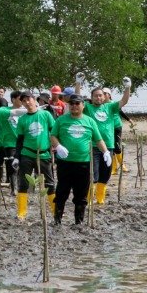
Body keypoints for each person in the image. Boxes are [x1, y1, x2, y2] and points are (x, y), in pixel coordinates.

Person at [50, 94, 110, 225]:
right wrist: (58, 146)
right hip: (65, 163)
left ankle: (79, 222)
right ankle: (57, 220)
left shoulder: (90, 121)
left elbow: (98, 139)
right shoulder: (61, 120)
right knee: (62, 191)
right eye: (71, 104)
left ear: (83, 105)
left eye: (77, 103)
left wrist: (106, 152)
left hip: (84, 163)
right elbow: (53, 135)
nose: (74, 106)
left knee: (81, 194)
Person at [87, 79, 134, 205]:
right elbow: (77, 98)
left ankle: (100, 199)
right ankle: (89, 200)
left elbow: (124, 101)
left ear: (104, 97)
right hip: (93, 146)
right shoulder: (88, 108)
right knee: (93, 174)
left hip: (109, 146)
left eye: (100, 95)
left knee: (106, 174)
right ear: (91, 98)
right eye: (95, 96)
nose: (98, 97)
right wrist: (78, 84)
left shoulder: (110, 107)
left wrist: (127, 87)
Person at [12, 91, 55, 220]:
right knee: (23, 183)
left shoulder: (45, 115)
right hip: (27, 154)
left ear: (34, 100)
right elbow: (19, 140)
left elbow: (54, 132)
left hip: (44, 154)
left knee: (49, 184)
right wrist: (16, 157)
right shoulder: (22, 119)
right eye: (24, 101)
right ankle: (21, 213)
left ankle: (55, 211)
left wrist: (56, 147)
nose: (27, 102)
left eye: (28, 99)